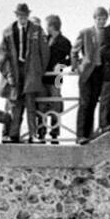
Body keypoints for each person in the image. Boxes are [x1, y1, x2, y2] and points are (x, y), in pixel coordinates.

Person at [0, 2, 50, 143]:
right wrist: (9, 74)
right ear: (16, 15)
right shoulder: (8, 32)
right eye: (20, 15)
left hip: (31, 71)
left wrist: (38, 71)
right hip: (15, 70)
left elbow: (44, 52)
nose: (23, 18)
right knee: (15, 105)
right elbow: (2, 56)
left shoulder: (36, 30)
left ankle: (33, 134)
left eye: (25, 15)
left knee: (30, 103)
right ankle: (14, 135)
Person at [71, 8, 109, 142]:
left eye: (104, 19)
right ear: (94, 19)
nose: (101, 21)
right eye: (99, 18)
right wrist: (76, 67)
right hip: (87, 71)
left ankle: (88, 134)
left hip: (100, 71)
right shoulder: (86, 32)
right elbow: (74, 51)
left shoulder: (107, 33)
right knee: (84, 103)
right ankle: (80, 134)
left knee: (93, 102)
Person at [40, 15, 72, 143]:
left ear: (51, 26)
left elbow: (72, 58)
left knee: (56, 104)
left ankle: (54, 132)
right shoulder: (45, 40)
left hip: (56, 78)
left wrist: (61, 65)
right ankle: (41, 131)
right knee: (41, 104)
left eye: (47, 25)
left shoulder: (64, 42)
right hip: (43, 77)